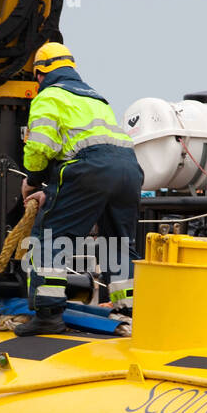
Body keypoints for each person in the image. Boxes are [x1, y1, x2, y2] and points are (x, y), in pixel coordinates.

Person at [16, 42, 144, 336]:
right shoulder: (96, 97)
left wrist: (33, 181)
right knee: (119, 245)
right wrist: (53, 188)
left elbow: (40, 146)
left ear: (39, 74)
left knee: (49, 237)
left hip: (90, 169)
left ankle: (48, 315)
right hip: (129, 169)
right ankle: (128, 315)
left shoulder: (48, 96)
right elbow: (95, 147)